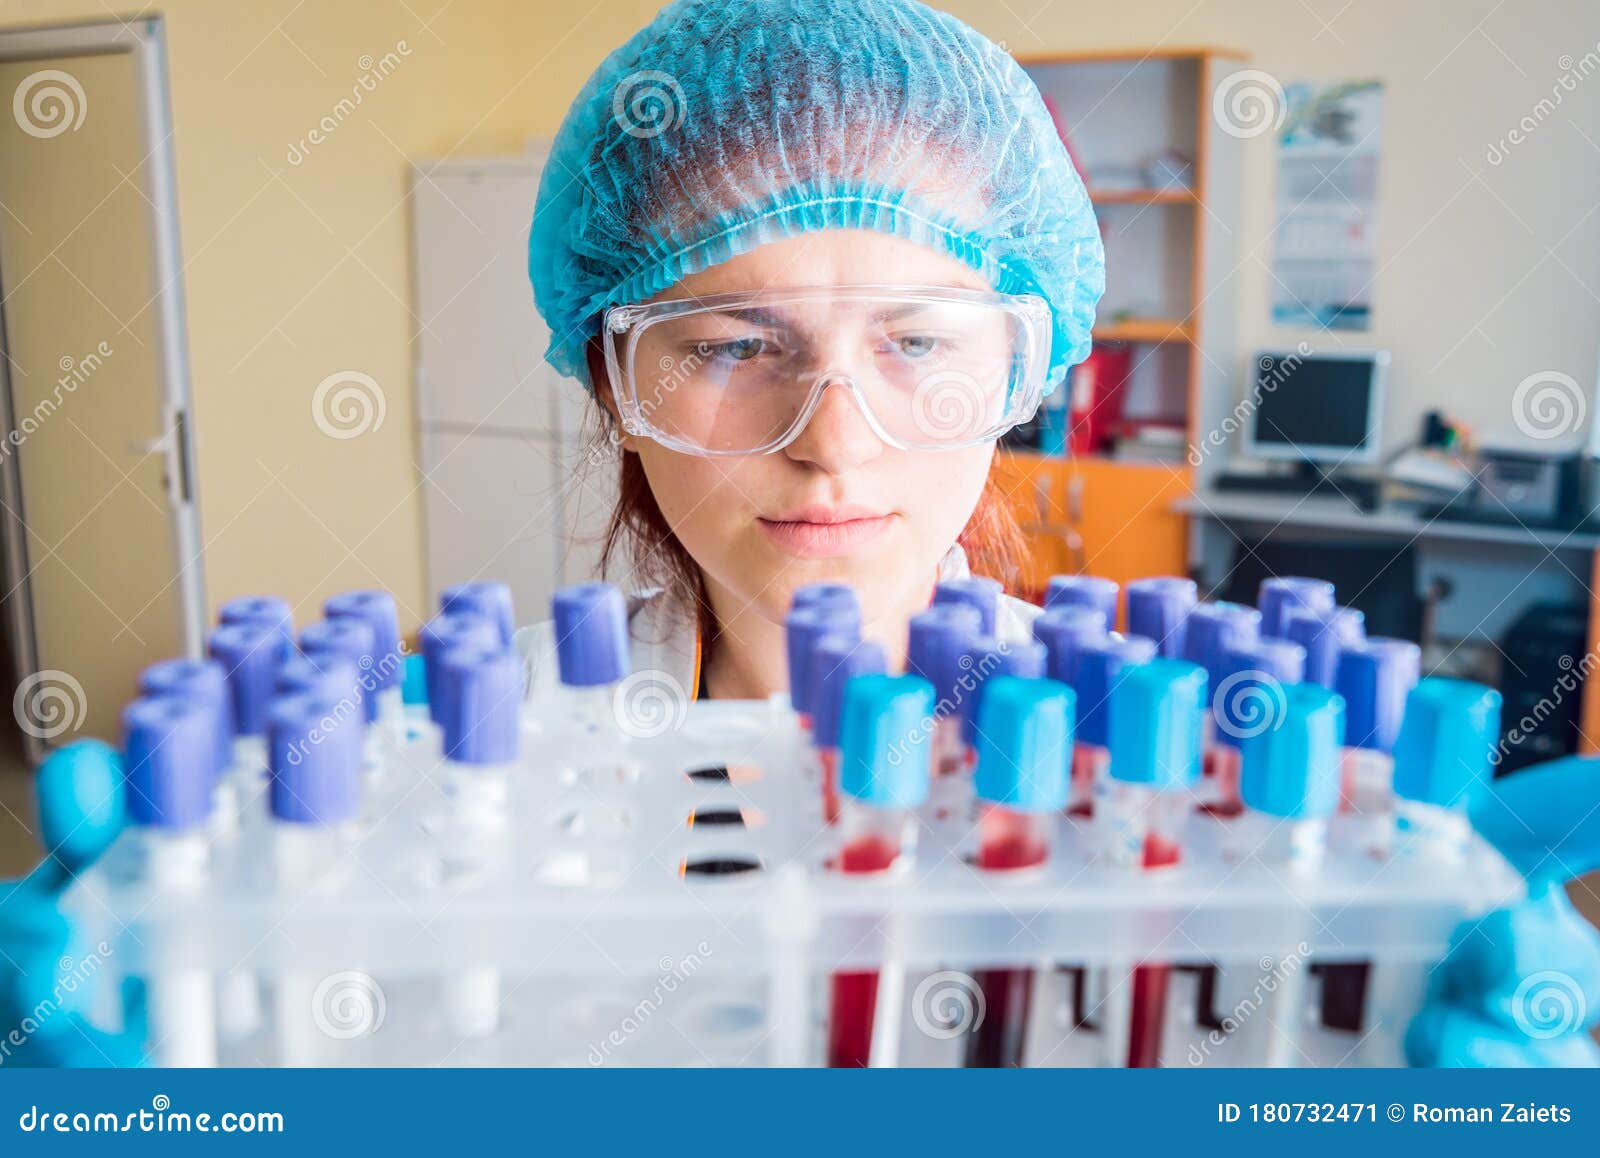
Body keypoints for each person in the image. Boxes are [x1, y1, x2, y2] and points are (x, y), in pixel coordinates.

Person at [2, 0, 1596, 1068]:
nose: (833, 438)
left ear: (1023, 371)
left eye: (918, 341)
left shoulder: (1200, 778)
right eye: (729, 343)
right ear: (614, 381)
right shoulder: (446, 774)